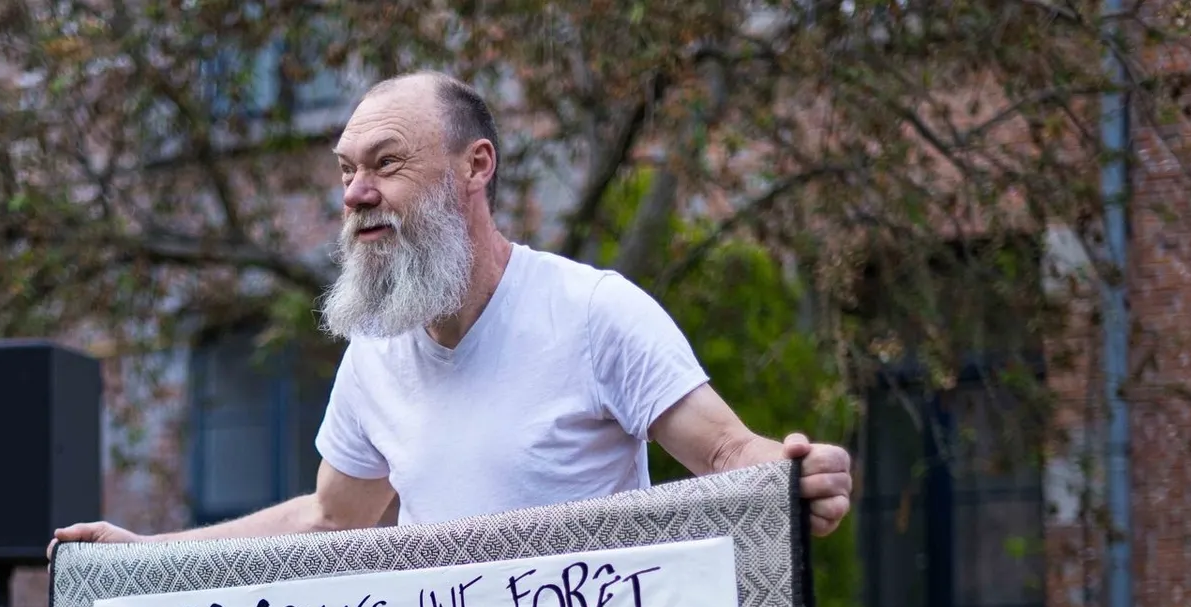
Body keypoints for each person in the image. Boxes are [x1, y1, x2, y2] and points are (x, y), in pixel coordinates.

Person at [50, 71, 850, 554]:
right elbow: (334, 519)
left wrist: (796, 476)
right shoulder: (375, 353)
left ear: (476, 168)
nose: (356, 192)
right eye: (346, 171)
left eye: (386, 164)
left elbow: (724, 455)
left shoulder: (594, 313)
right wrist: (148, 554)